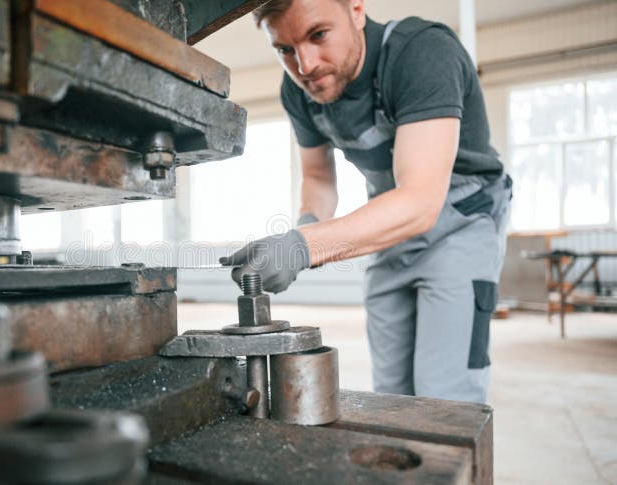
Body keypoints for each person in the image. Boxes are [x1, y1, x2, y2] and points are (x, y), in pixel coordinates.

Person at [219, 0, 511, 403]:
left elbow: (421, 200)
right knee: (392, 396)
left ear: (356, 9)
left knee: (444, 399)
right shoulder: (298, 91)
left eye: (318, 35)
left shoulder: (421, 52)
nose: (305, 65)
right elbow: (318, 179)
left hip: (461, 223)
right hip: (390, 231)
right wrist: (301, 233)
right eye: (285, 49)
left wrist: (304, 248)